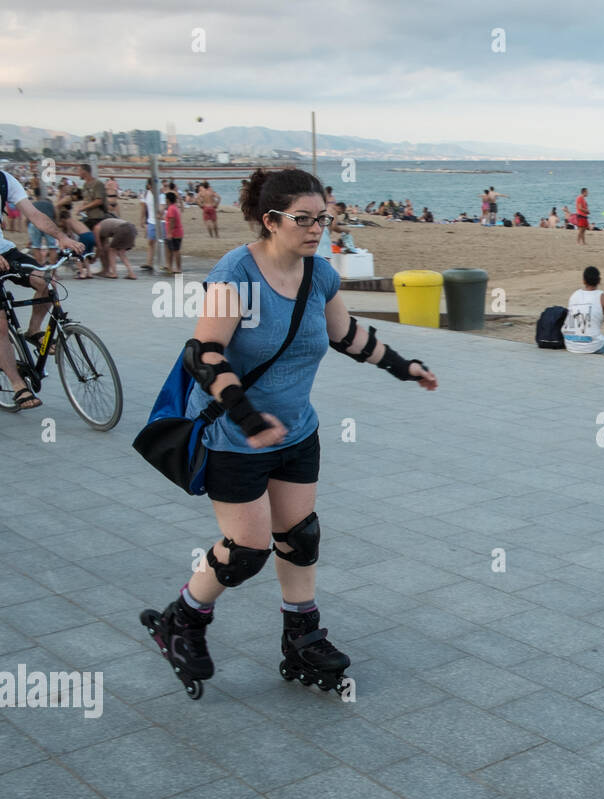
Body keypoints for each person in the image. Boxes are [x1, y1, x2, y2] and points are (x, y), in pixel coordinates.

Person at [141, 167, 438, 699]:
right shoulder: (236, 274)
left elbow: (345, 334)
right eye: (304, 219)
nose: (317, 229)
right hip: (234, 437)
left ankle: (302, 636)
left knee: (299, 538)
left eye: (324, 218)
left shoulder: (319, 274)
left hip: (298, 432)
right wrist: (248, 416)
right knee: (247, 548)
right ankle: (182, 619)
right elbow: (204, 354)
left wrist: (403, 366)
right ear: (271, 220)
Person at [0, 168, 87, 409]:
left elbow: (34, 214)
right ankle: (18, 387)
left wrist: (61, 238)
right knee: (1, 325)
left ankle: (33, 331)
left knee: (46, 282)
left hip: (5, 250)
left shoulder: (5, 180)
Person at [562, 266, 604, 356]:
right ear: (599, 280)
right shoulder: (602, 297)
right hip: (590, 345)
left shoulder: (574, 295)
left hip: (570, 343)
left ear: (584, 281)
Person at [25, 191, 58, 266]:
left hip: (34, 224)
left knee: (36, 246)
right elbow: (56, 216)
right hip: (48, 223)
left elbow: (27, 219)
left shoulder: (34, 204)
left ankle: (40, 268)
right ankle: (53, 272)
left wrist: (30, 233)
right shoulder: (51, 205)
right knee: (52, 247)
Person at [78, 164, 110, 233]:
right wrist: (82, 208)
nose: (78, 173)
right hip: (89, 216)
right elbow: (87, 200)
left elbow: (99, 201)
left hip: (98, 217)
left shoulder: (98, 184)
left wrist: (83, 208)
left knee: (99, 239)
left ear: (84, 172)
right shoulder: (85, 185)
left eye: (79, 171)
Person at [140, 177, 160, 272]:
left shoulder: (159, 194)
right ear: (149, 186)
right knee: (150, 242)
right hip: (151, 221)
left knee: (162, 243)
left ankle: (165, 263)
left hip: (160, 221)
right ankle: (149, 263)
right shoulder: (146, 194)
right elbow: (144, 208)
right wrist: (142, 219)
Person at [164, 191, 184, 274]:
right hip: (176, 232)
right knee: (170, 250)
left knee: (175, 250)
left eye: (166, 199)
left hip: (175, 233)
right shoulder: (173, 207)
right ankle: (170, 267)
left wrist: (169, 233)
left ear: (168, 199)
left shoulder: (171, 208)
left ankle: (178, 268)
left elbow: (172, 221)